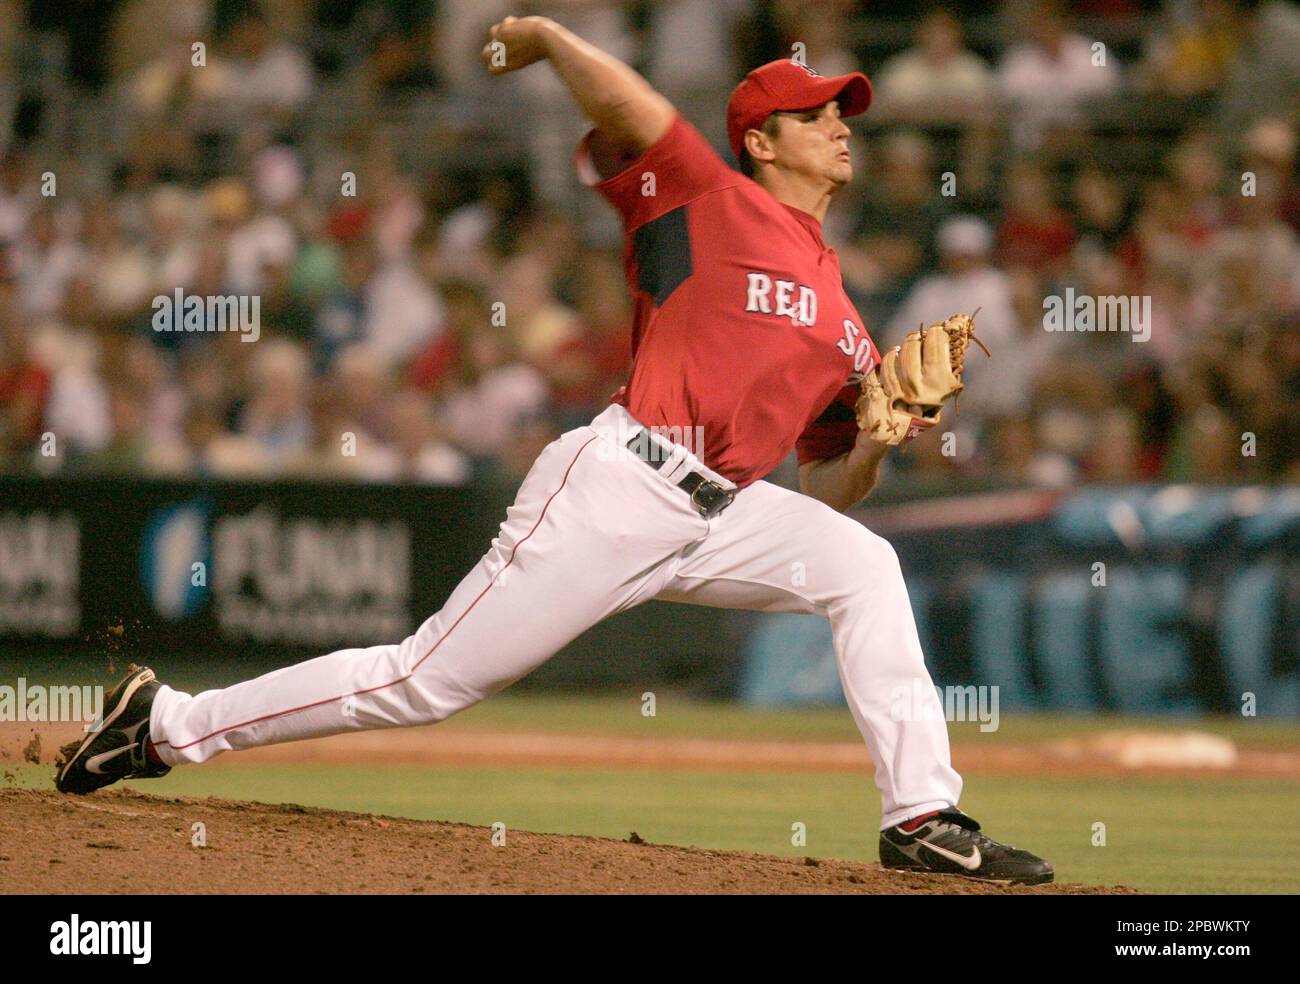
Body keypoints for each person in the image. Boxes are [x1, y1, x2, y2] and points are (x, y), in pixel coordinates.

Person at [56, 15, 1052, 886]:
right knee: (425, 681)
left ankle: (920, 820)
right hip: (622, 484)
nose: (841, 126)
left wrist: (879, 435)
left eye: (843, 112)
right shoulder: (711, 200)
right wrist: (546, 37)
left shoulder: (845, 317)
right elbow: (632, 109)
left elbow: (825, 491)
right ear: (759, 141)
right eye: (816, 113)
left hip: (722, 512)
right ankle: (166, 723)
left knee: (863, 564)